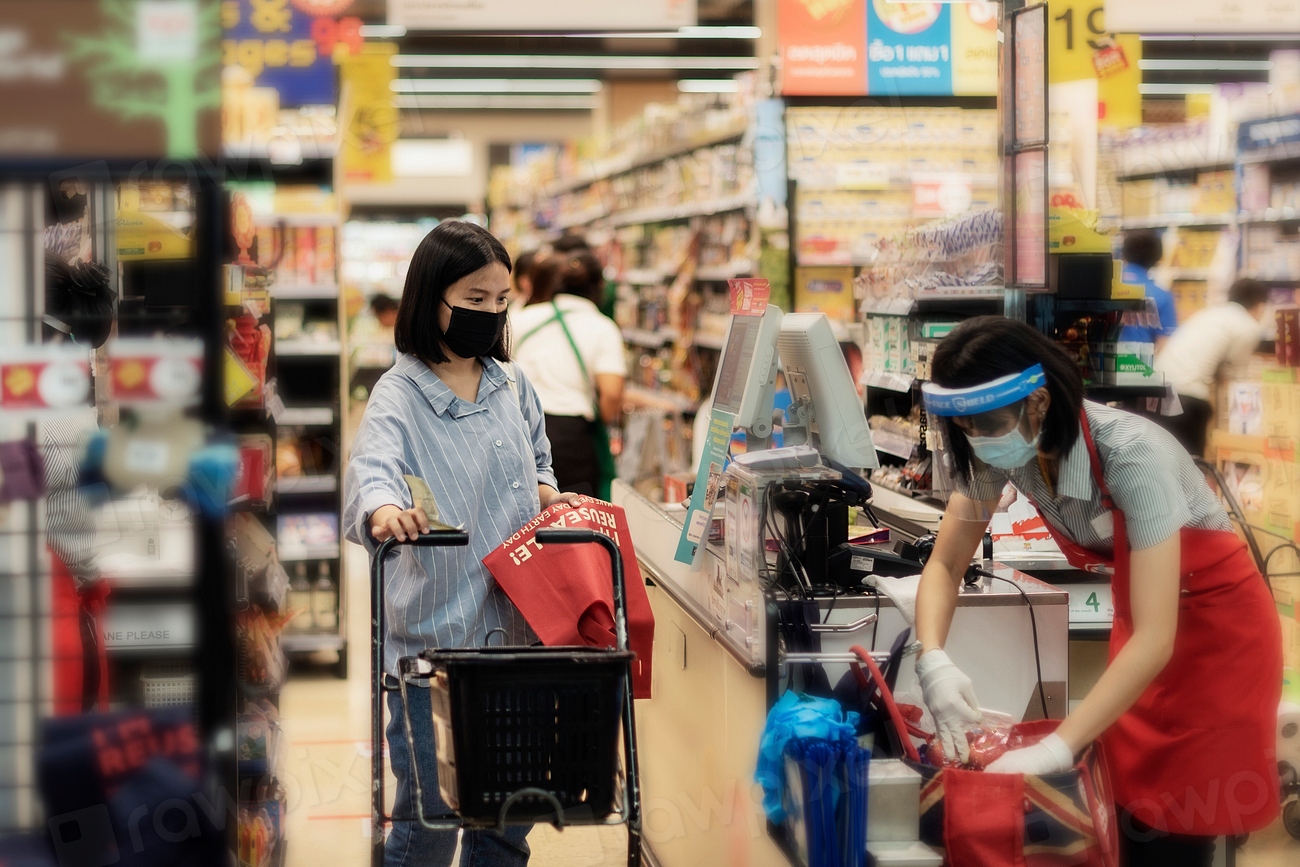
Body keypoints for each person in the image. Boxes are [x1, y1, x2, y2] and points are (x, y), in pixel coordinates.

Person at [913, 317, 1280, 866]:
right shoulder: (1008, 450)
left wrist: (1055, 748)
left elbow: (1159, 640)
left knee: (1182, 822)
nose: (977, 440)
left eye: (985, 424)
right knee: (1127, 810)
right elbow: (944, 564)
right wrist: (932, 657)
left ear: (1037, 403)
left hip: (1216, 641)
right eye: (964, 428)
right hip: (1145, 624)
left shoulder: (1132, 454)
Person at [343, 221, 582, 867]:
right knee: (431, 818)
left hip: (520, 631)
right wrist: (386, 508)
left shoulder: (513, 384)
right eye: (474, 299)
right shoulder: (399, 393)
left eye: (501, 300)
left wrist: (550, 496)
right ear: (431, 298)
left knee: (510, 814)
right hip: (434, 641)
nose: (490, 314)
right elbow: (374, 469)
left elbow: (539, 464)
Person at [511, 253, 626, 499]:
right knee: (575, 517)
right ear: (599, 288)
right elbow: (612, 393)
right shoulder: (601, 326)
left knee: (525, 514)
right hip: (572, 437)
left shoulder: (519, 318)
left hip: (519, 426)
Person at [1153, 278, 1270, 457]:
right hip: (1187, 397)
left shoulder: (1212, 313)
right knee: (1192, 466)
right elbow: (1236, 382)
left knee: (1163, 460)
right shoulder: (1248, 325)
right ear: (1260, 306)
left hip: (1155, 389)